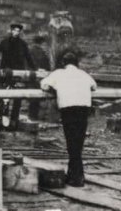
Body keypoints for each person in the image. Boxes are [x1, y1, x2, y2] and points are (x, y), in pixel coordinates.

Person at [40, 51, 96, 187]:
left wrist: (56, 89)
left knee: (71, 143)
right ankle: (74, 174)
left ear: (63, 63)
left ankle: (77, 177)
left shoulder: (58, 73)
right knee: (78, 142)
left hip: (69, 108)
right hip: (83, 108)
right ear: (77, 63)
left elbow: (44, 85)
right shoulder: (84, 74)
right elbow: (94, 87)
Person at [0, 23, 36, 130]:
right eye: (14, 30)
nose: (16, 32)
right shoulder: (4, 42)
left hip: (18, 75)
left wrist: (34, 69)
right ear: (11, 31)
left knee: (17, 98)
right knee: (4, 97)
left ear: (20, 32)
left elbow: (29, 58)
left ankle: (14, 121)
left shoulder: (23, 44)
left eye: (18, 31)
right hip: (5, 74)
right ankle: (2, 119)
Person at [28, 33, 51, 121]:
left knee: (33, 97)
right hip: (39, 76)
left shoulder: (30, 50)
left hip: (31, 75)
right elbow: (47, 65)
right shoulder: (42, 52)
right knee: (37, 97)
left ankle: (33, 116)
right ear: (41, 42)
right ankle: (35, 116)